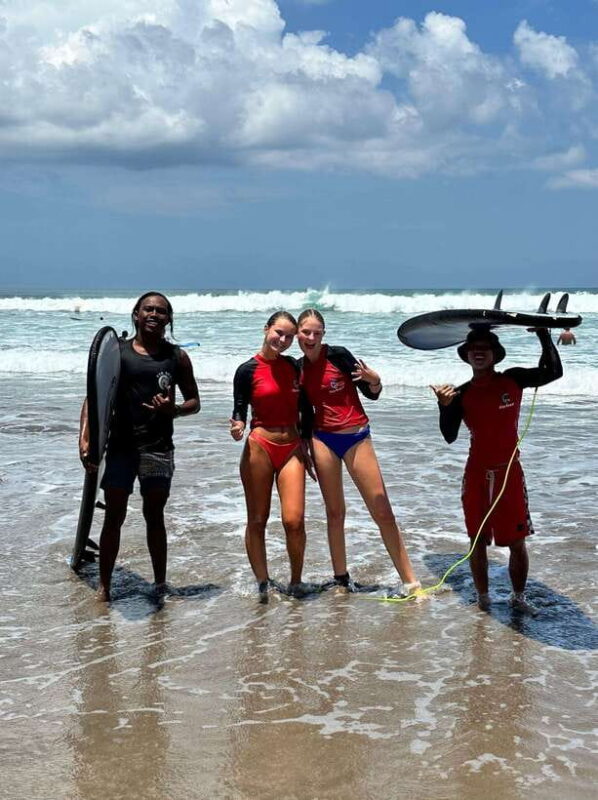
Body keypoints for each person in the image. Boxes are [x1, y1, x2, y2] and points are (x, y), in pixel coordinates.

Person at [79, 292, 200, 601]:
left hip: (158, 448)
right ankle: (104, 588)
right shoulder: (116, 353)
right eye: (148, 309)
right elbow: (94, 397)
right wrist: (86, 438)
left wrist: (174, 410)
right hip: (121, 446)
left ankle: (159, 584)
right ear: (136, 314)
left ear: (169, 319)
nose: (154, 314)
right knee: (114, 516)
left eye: (161, 311)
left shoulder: (176, 357)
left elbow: (194, 402)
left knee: (154, 515)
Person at [431, 327, 562, 613]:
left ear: (495, 354)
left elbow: (553, 372)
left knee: (516, 541)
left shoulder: (513, 379)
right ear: (466, 355)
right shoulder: (461, 394)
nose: (478, 352)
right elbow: (449, 436)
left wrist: (543, 335)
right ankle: (483, 600)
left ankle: (518, 597)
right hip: (476, 474)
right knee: (476, 540)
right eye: (473, 348)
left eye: (484, 348)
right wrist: (444, 406)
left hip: (509, 473)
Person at [296, 309, 421, 596]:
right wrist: (303, 444)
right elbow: (303, 411)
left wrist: (375, 380)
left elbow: (371, 392)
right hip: (322, 439)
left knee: (382, 510)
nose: (311, 337)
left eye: (317, 332)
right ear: (298, 334)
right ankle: (341, 579)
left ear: (323, 334)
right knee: (334, 512)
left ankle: (411, 582)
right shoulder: (298, 368)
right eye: (306, 332)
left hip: (356, 437)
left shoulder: (339, 355)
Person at [230, 311, 313, 600]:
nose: (283, 339)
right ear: (266, 329)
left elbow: (306, 407)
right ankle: (263, 583)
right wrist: (238, 425)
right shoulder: (247, 370)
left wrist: (306, 441)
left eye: (289, 336)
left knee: (294, 520)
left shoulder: (293, 366)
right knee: (257, 519)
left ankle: (296, 582)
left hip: (292, 447)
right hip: (260, 447)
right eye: (279, 332)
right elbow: (239, 407)